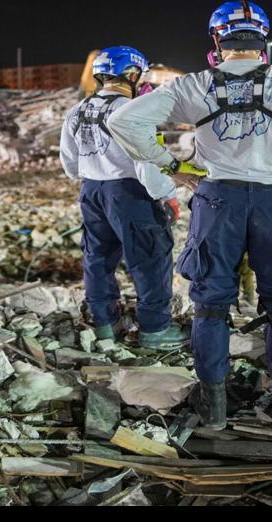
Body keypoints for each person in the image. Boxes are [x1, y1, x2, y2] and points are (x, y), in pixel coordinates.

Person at [106, 2, 272, 428]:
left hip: (216, 201)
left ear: (218, 40)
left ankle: (213, 406)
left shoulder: (193, 86)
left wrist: (170, 165)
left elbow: (123, 120)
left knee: (210, 304)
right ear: (263, 39)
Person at [60, 45, 185, 348]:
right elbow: (146, 161)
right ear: (131, 74)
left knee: (98, 257)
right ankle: (155, 329)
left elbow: (69, 163)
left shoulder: (77, 110)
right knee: (150, 257)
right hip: (129, 192)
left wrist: (95, 171)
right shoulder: (133, 110)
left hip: (92, 190)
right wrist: (167, 194)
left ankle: (105, 324)